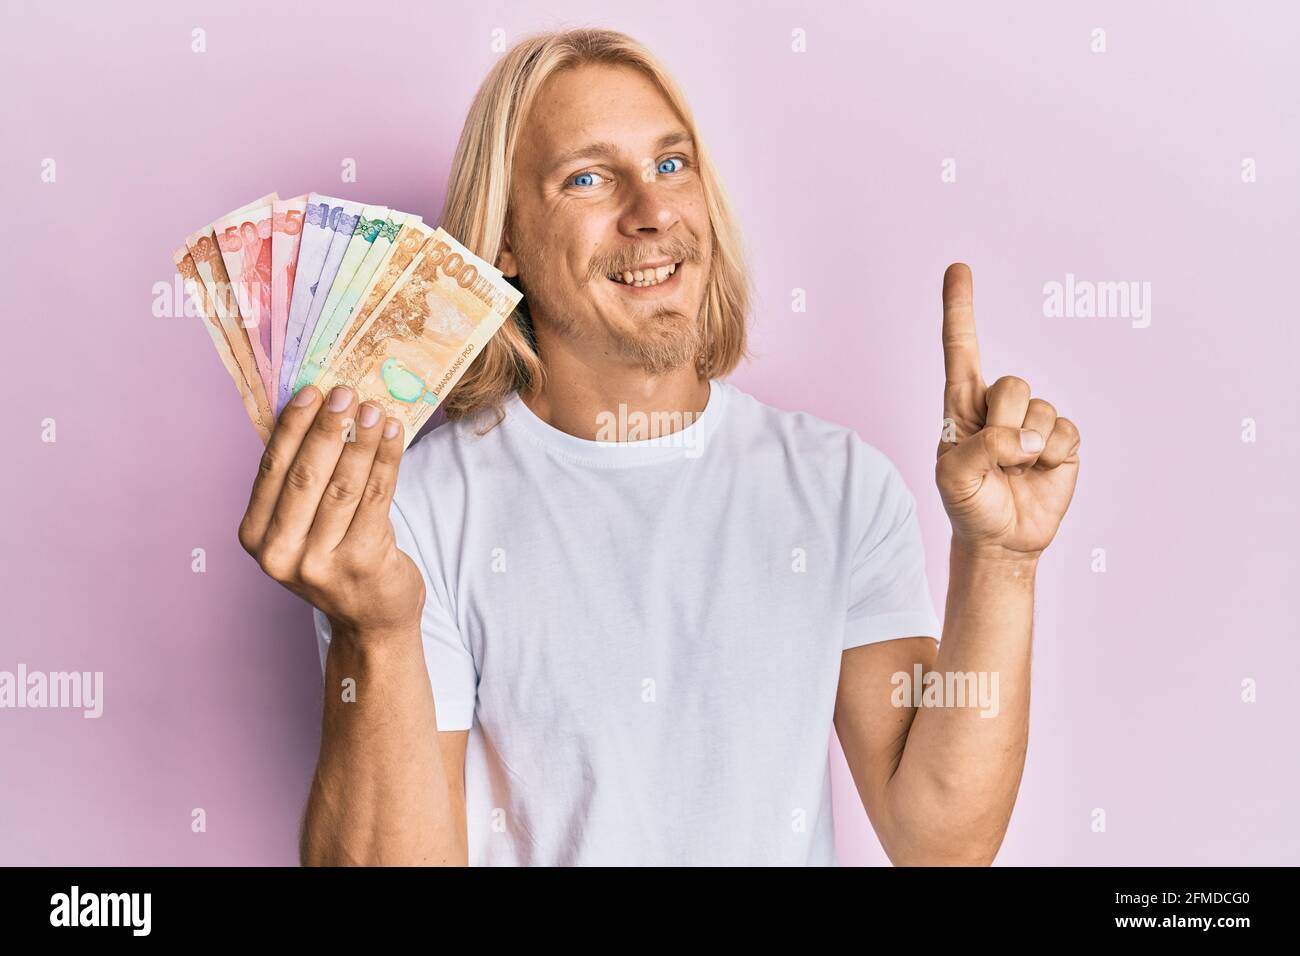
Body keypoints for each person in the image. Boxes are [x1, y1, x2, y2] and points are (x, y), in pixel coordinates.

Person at [237, 29, 1080, 866]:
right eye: (589, 178)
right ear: (505, 242)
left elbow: (941, 840)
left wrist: (1000, 560)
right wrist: (374, 635)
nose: (653, 212)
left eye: (673, 165)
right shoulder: (412, 517)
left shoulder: (840, 485)